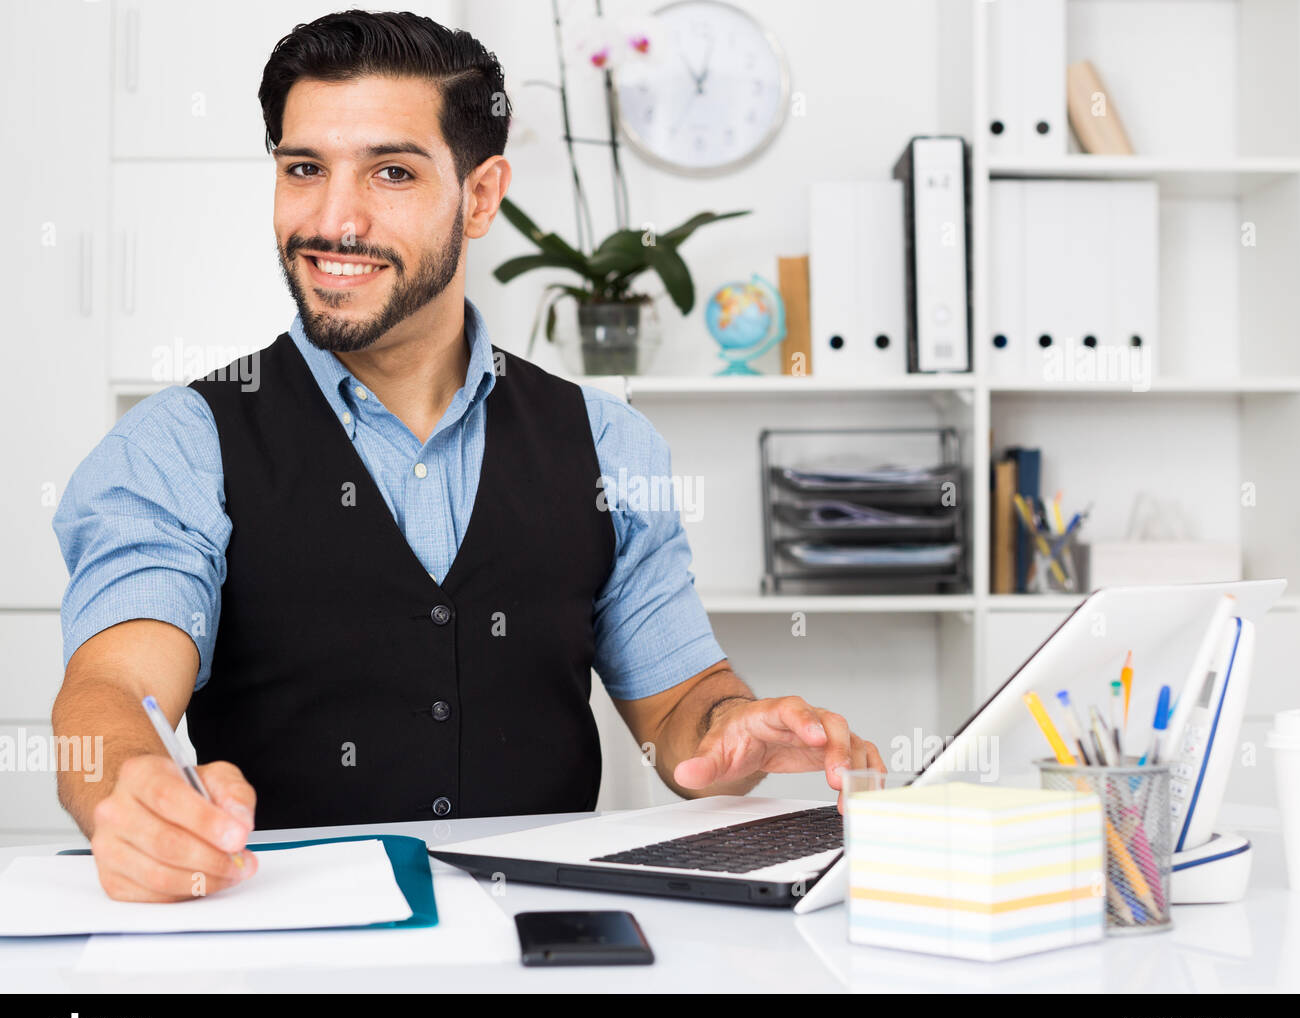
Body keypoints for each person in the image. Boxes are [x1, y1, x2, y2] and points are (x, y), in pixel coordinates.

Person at [50, 10, 883, 903]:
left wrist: (735, 729)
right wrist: (125, 787)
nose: (335, 219)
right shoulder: (177, 443)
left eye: (392, 172)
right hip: (288, 939)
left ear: (481, 196)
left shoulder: (608, 443)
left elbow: (683, 711)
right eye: (304, 169)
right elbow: (112, 685)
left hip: (545, 936)